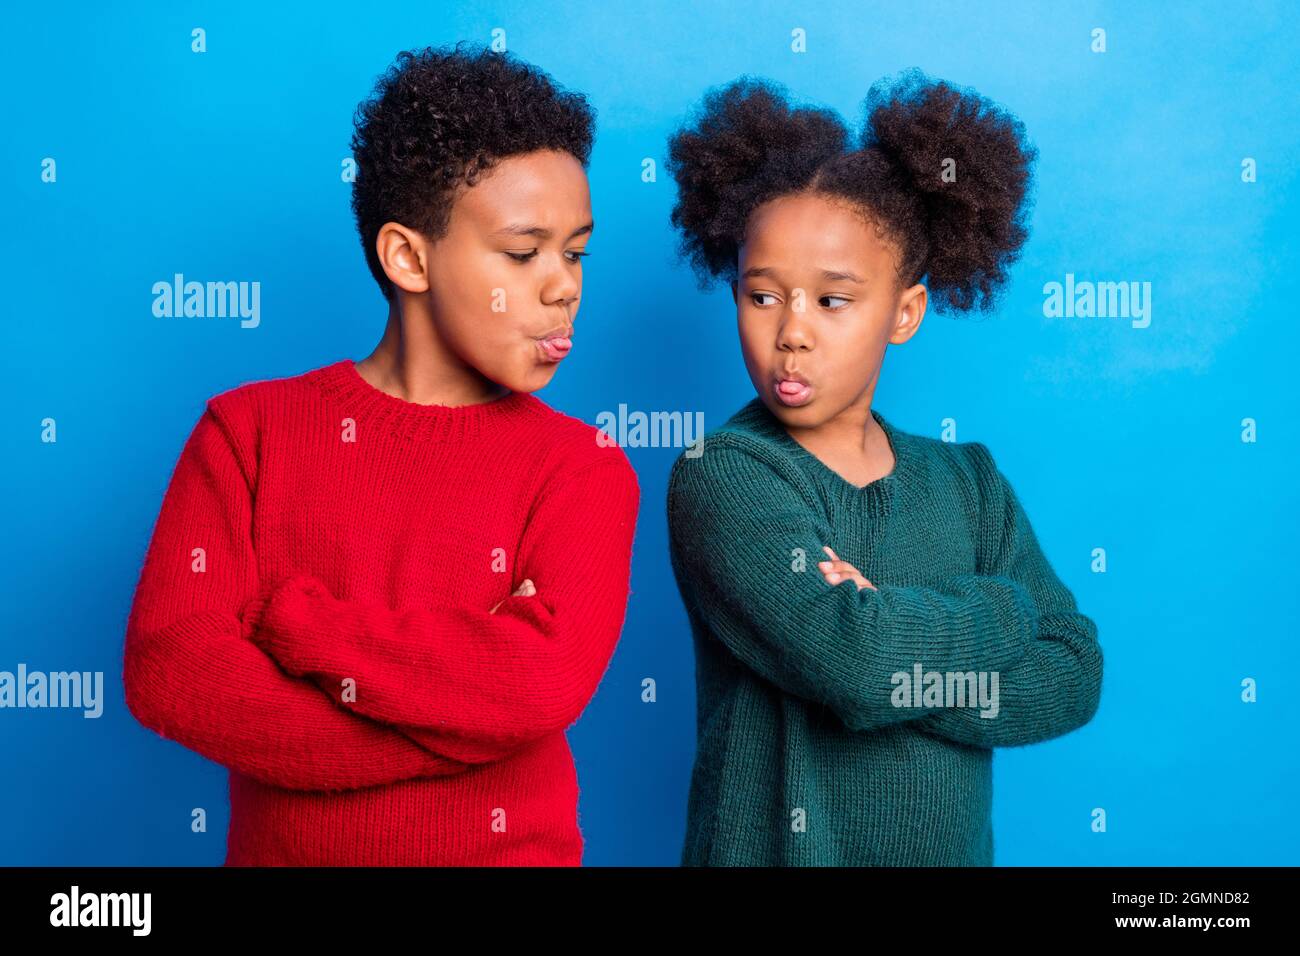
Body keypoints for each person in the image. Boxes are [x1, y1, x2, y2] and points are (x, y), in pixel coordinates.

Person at [122, 43, 639, 866]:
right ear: (408, 257)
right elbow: (172, 670)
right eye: (523, 251)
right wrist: (468, 724)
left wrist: (296, 623)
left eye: (574, 252)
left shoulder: (584, 468)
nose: (563, 284)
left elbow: (538, 685)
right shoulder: (248, 432)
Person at [664, 69, 1103, 866]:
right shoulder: (725, 474)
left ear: (904, 312)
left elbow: (1072, 672)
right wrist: (1006, 610)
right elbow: (857, 661)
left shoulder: (968, 482)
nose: (791, 333)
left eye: (832, 302)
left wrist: (891, 642)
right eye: (763, 297)